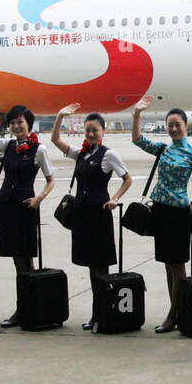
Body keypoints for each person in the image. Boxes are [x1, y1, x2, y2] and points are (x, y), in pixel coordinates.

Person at [51, 103, 134, 329]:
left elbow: (127, 178)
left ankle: (104, 311)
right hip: (81, 215)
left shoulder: (109, 155)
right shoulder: (81, 153)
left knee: (102, 267)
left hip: (100, 215)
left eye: (95, 130)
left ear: (103, 131)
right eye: (87, 130)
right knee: (90, 265)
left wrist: (115, 198)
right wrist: (60, 116)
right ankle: (96, 312)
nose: (90, 134)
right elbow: (55, 141)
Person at [0, 96, 57, 327]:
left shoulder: (39, 149)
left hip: (25, 208)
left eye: (19, 121)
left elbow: (51, 180)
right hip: (6, 208)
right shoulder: (8, 145)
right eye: (12, 122)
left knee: (27, 260)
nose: (16, 126)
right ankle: (23, 307)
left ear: (28, 123)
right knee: (16, 260)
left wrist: (39, 198)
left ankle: (27, 307)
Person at [131, 96, 192, 333]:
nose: (173, 129)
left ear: (186, 126)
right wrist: (136, 115)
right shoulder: (163, 149)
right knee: (166, 263)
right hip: (160, 212)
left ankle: (175, 314)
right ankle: (176, 312)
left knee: (178, 265)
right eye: (170, 125)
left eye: (178, 125)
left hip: (179, 213)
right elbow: (137, 140)